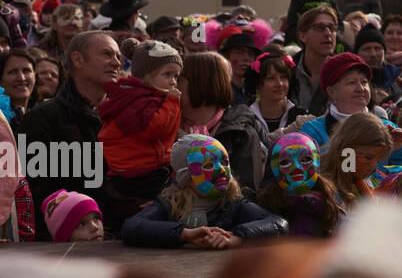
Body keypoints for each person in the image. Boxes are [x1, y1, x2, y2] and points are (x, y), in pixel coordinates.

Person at [19, 30, 119, 238]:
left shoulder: (125, 116)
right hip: (67, 247)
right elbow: (37, 194)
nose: (116, 62)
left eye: (118, 56)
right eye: (107, 54)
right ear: (78, 59)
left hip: (121, 239)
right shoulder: (42, 119)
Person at [121, 134, 287, 247]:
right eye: (208, 165)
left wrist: (235, 239)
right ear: (186, 176)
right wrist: (185, 234)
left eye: (224, 162)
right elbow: (132, 227)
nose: (221, 170)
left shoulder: (232, 204)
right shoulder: (171, 204)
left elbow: (279, 224)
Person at [96, 38, 184, 233]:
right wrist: (171, 103)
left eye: (176, 76)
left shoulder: (145, 96)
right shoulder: (139, 100)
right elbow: (155, 128)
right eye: (167, 74)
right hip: (139, 174)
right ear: (147, 76)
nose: (173, 81)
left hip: (144, 169)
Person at [179, 52, 269, 196]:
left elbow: (244, 192)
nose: (172, 84)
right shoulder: (169, 126)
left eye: (179, 79)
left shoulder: (240, 133)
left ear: (201, 84)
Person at [254, 132, 345, 237]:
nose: (296, 168)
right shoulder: (263, 209)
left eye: (305, 159)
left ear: (317, 162)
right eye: (285, 162)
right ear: (274, 168)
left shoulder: (331, 209)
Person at [319, 112, 396, 207]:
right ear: (345, 148)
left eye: (379, 160)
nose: (374, 165)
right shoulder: (322, 187)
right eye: (368, 157)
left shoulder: (377, 182)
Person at [294, 6, 340, 116]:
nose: (328, 33)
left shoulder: (342, 74)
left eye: (332, 28)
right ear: (303, 36)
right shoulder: (287, 71)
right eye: (320, 27)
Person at [244, 49, 298, 136]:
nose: (279, 84)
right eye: (271, 78)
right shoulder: (244, 119)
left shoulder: (299, 116)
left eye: (283, 77)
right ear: (257, 84)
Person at [0, 49, 38, 119]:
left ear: (35, 76)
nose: (21, 78)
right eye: (13, 72)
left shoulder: (43, 114)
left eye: (26, 71)